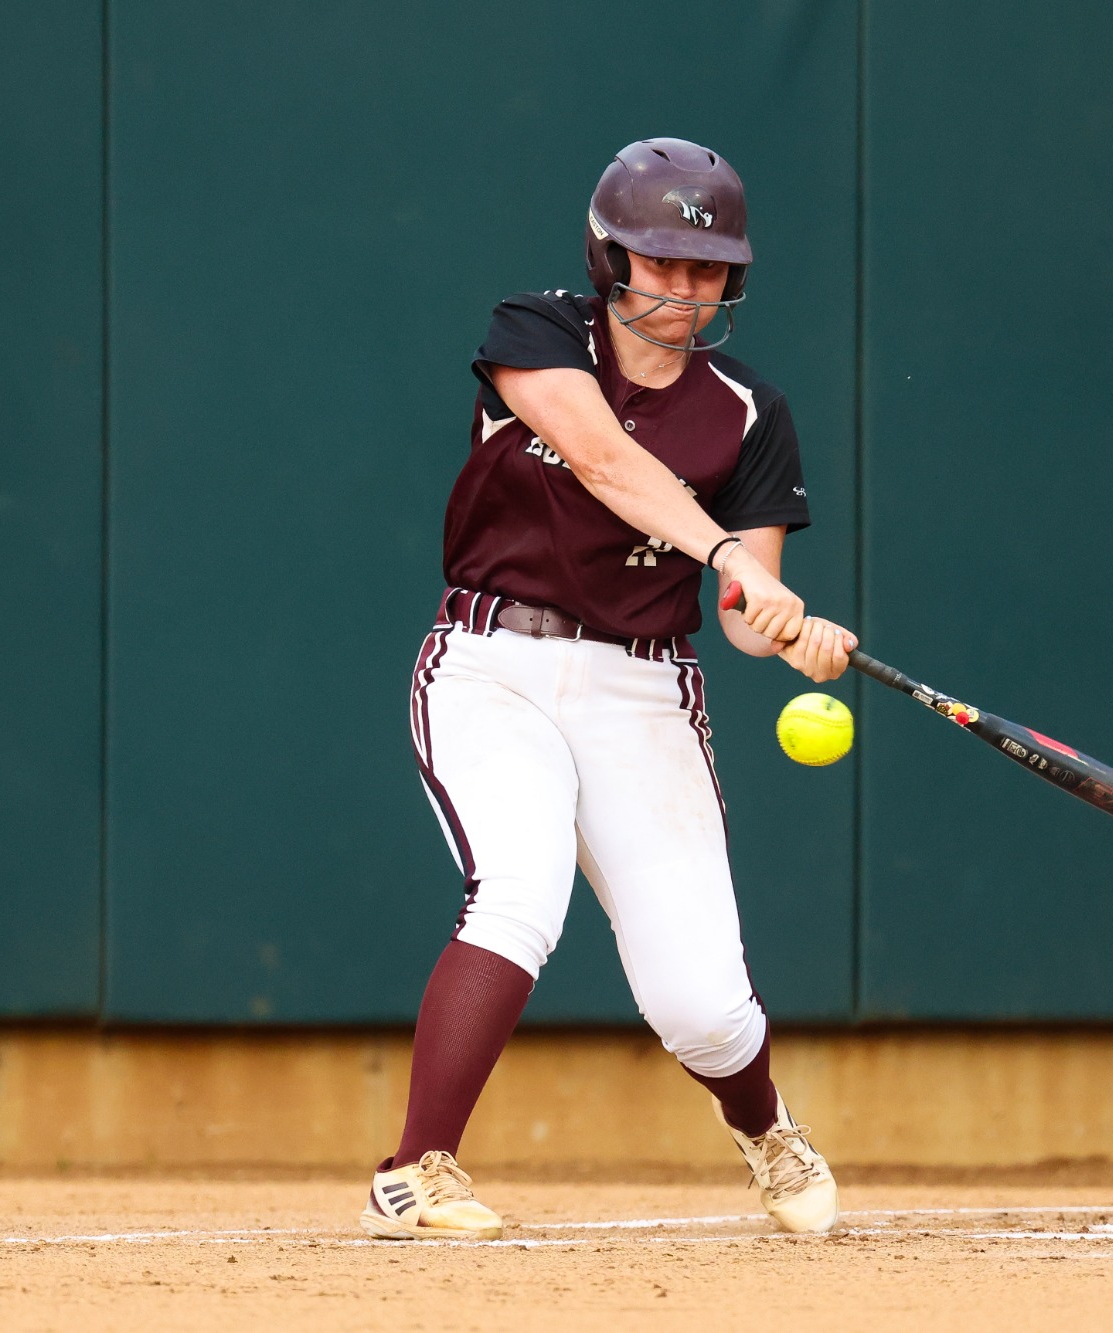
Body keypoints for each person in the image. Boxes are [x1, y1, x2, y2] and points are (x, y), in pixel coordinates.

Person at [360, 138, 856, 1241]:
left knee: (701, 1003)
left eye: (703, 269)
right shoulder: (535, 333)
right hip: (493, 665)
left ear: (732, 280)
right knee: (516, 892)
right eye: (654, 262)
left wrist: (790, 630)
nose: (677, 290)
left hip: (644, 690)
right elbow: (602, 460)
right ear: (604, 254)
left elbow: (744, 615)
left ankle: (765, 1125)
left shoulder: (747, 412)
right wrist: (726, 556)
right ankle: (416, 1169)